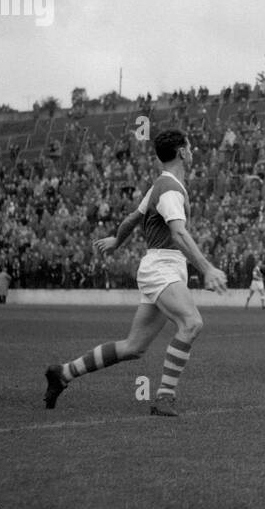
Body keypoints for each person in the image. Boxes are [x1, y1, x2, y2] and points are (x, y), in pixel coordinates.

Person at [43, 129, 228, 417]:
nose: (192, 151)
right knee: (191, 324)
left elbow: (133, 218)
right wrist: (207, 268)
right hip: (162, 267)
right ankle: (165, 397)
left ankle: (63, 372)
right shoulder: (170, 189)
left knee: (134, 347)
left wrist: (118, 241)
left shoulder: (161, 185)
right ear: (181, 151)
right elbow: (178, 234)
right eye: (189, 146)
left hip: (162, 267)